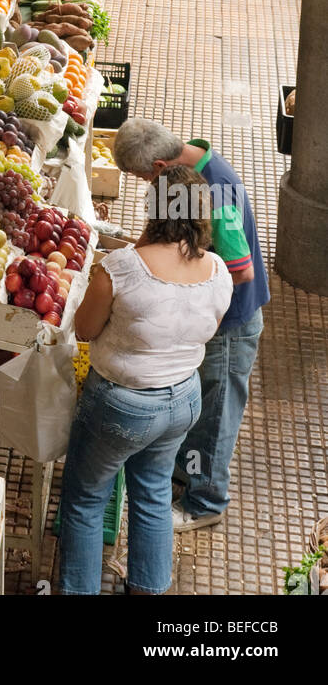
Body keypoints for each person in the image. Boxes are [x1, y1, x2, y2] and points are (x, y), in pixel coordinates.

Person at [58, 166, 232, 595]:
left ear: (153, 209)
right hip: (183, 401)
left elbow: (83, 329)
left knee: (85, 500)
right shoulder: (217, 271)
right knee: (152, 495)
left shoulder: (122, 269)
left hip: (121, 404)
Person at [112, 119, 270, 532]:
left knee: (217, 415)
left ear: (161, 166)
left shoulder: (217, 191)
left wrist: (198, 300)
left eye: (142, 177)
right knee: (200, 407)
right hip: (210, 323)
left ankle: (206, 502)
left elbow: (241, 270)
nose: (143, 184)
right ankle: (186, 471)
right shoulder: (188, 171)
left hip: (230, 325)